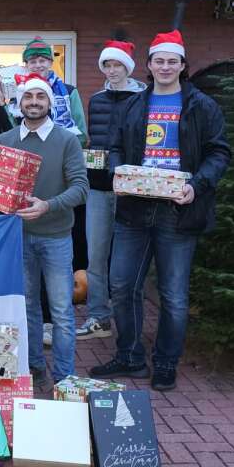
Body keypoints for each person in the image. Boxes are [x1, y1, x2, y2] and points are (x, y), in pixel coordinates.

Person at [90, 30, 230, 392]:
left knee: (173, 294)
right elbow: (115, 146)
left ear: (183, 65)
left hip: (178, 211)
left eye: (173, 61)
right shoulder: (134, 104)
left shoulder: (201, 105)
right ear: (149, 65)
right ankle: (130, 356)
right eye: (159, 60)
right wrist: (117, 172)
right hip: (135, 210)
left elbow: (219, 152)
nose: (165, 66)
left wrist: (195, 186)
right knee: (121, 285)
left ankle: (166, 362)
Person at [0, 73, 88, 394]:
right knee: (27, 308)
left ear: (50, 102)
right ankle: (35, 368)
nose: (34, 102)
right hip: (17, 238)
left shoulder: (67, 140)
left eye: (40, 97)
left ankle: (64, 376)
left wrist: (48, 205)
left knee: (62, 310)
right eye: (28, 97)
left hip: (56, 237)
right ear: (18, 103)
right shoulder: (5, 141)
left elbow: (81, 188)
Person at [76, 40, 147, 341]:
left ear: (128, 68)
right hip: (99, 188)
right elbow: (96, 143)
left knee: (127, 260)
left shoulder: (144, 99)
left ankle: (129, 322)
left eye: (118, 65)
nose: (112, 70)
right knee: (96, 257)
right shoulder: (96, 99)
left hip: (131, 190)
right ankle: (98, 317)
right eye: (107, 65)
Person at [0, 37, 87, 144]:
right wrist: (1, 99)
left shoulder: (69, 91)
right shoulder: (19, 92)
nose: (38, 65)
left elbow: (81, 133)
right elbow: (11, 128)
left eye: (42, 61)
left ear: (50, 63)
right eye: (33, 62)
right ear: (26, 65)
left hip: (61, 153)